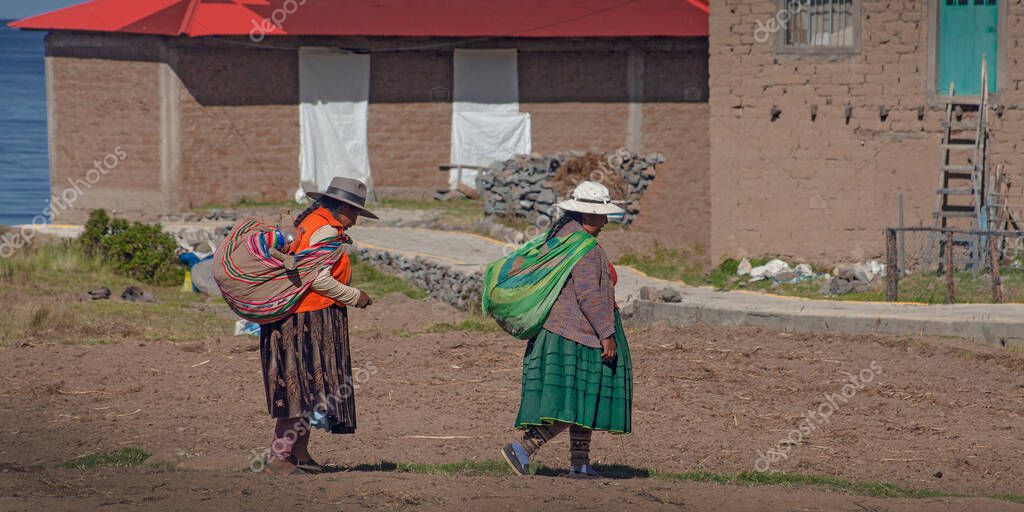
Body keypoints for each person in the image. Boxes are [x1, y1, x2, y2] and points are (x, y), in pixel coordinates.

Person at [499, 181, 633, 479]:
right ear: (587, 214)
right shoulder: (583, 248)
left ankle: (580, 464)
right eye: (601, 216)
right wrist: (606, 334)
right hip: (577, 335)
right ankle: (522, 448)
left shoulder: (561, 238)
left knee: (583, 399)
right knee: (573, 401)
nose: (605, 222)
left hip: (562, 331)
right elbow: (589, 295)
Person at [259, 177, 378, 476]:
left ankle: (299, 453)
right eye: (354, 213)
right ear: (342, 208)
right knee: (299, 388)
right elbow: (318, 279)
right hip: (305, 319)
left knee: (308, 388)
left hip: (302, 315)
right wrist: (355, 296)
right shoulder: (325, 230)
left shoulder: (312, 223)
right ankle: (279, 457)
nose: (355, 221)